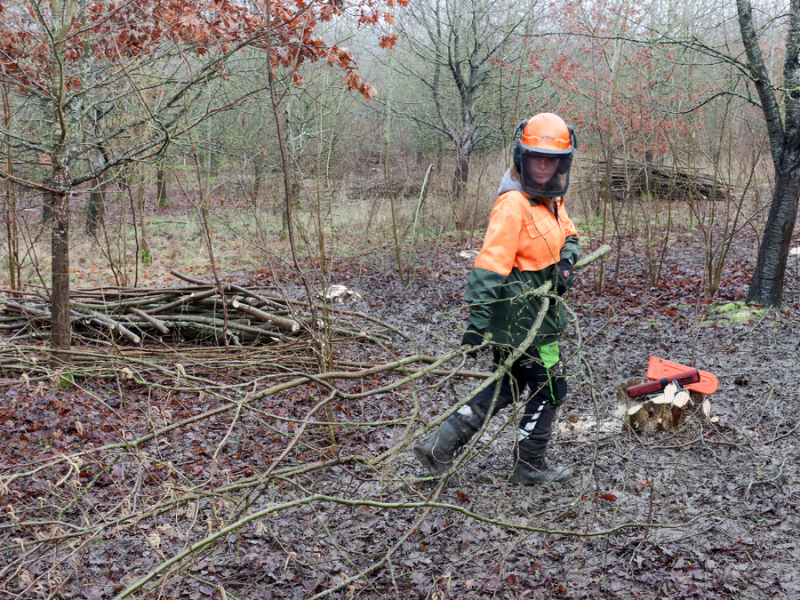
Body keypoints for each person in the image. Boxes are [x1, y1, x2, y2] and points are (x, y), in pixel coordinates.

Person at [414, 113, 580, 484]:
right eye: (535, 156)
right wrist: (478, 321)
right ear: (521, 155)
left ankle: (438, 447)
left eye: (550, 158)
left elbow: (569, 233)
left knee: (505, 385)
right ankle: (530, 464)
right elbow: (490, 264)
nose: (542, 164)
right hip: (522, 321)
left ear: (560, 162)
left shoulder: (551, 200)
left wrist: (567, 261)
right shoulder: (513, 205)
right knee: (551, 387)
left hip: (539, 317)